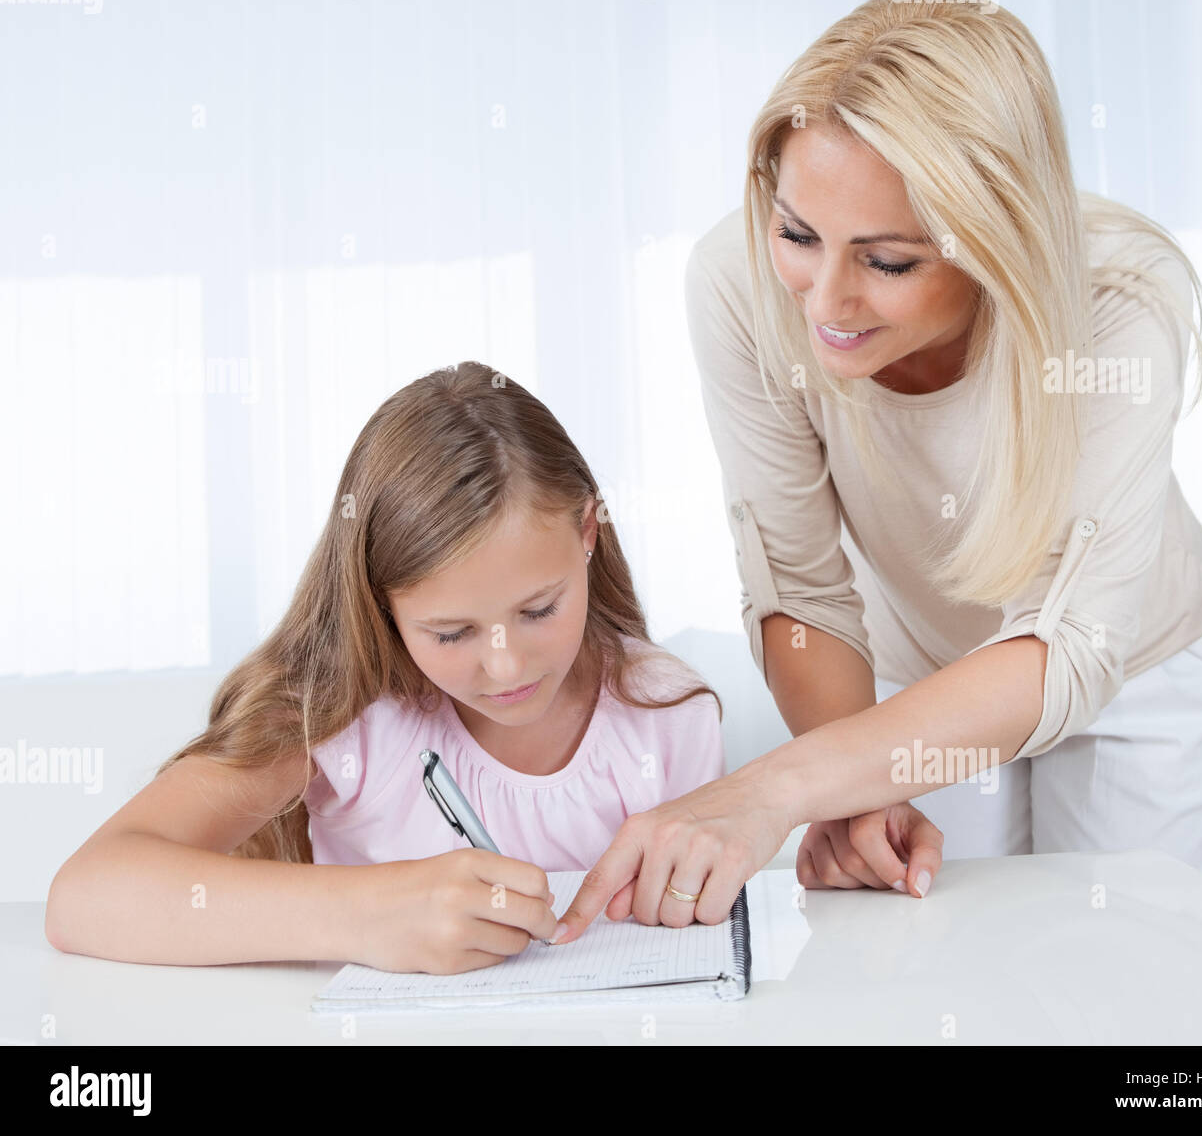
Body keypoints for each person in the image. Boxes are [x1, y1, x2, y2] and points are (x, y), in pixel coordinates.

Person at [554, 0, 1202, 943]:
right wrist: (850, 784)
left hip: (1131, 669)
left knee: (1131, 989)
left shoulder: (1117, 295)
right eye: (799, 236)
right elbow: (801, 584)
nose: (826, 300)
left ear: (996, 239)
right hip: (916, 682)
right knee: (936, 967)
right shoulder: (737, 282)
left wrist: (778, 789)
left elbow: (1073, 645)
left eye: (888, 261)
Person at [44, 362, 724, 974]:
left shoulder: (668, 713)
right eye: (451, 632)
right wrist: (372, 912)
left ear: (587, 534)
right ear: (381, 601)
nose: (506, 662)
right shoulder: (342, 715)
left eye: (539, 609)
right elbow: (86, 893)